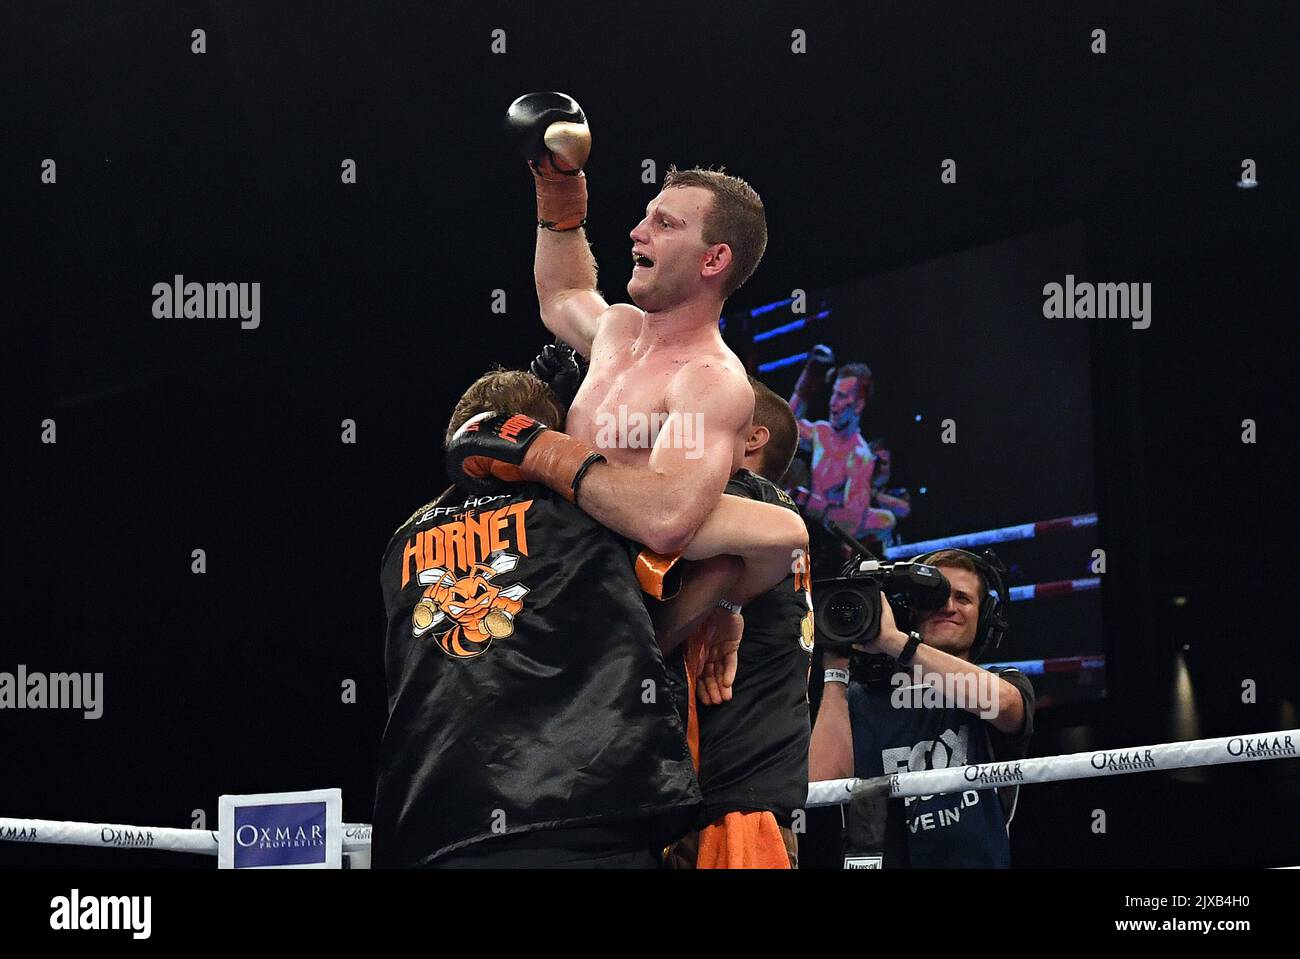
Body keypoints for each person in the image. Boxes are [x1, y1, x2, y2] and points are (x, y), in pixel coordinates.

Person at [374, 367, 807, 868]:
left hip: (436, 826)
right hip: (585, 812)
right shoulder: (599, 507)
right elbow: (783, 534)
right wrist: (724, 605)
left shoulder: (401, 543)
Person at [448, 92, 772, 699]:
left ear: (715, 259)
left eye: (665, 224)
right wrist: (559, 184)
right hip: (546, 609)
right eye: (647, 215)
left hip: (618, 658)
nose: (637, 231)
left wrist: (540, 451)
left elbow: (668, 518)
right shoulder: (619, 330)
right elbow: (563, 290)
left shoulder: (708, 380)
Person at [653, 377, 815, 868]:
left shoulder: (742, 499)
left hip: (733, 804)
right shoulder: (769, 517)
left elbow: (645, 513)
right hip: (743, 794)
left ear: (751, 438)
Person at [808, 549, 1035, 867]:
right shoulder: (858, 697)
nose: (948, 606)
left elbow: (1005, 705)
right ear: (910, 610)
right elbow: (822, 785)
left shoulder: (1003, 683)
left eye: (963, 598)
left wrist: (895, 643)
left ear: (984, 618)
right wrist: (835, 672)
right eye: (935, 596)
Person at [788, 345, 897, 543]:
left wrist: (810, 502)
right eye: (833, 393)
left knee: (885, 520)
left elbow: (852, 524)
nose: (833, 402)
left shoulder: (859, 456)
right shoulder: (821, 432)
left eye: (842, 396)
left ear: (859, 405)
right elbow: (784, 428)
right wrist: (807, 377)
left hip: (833, 541)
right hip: (808, 530)